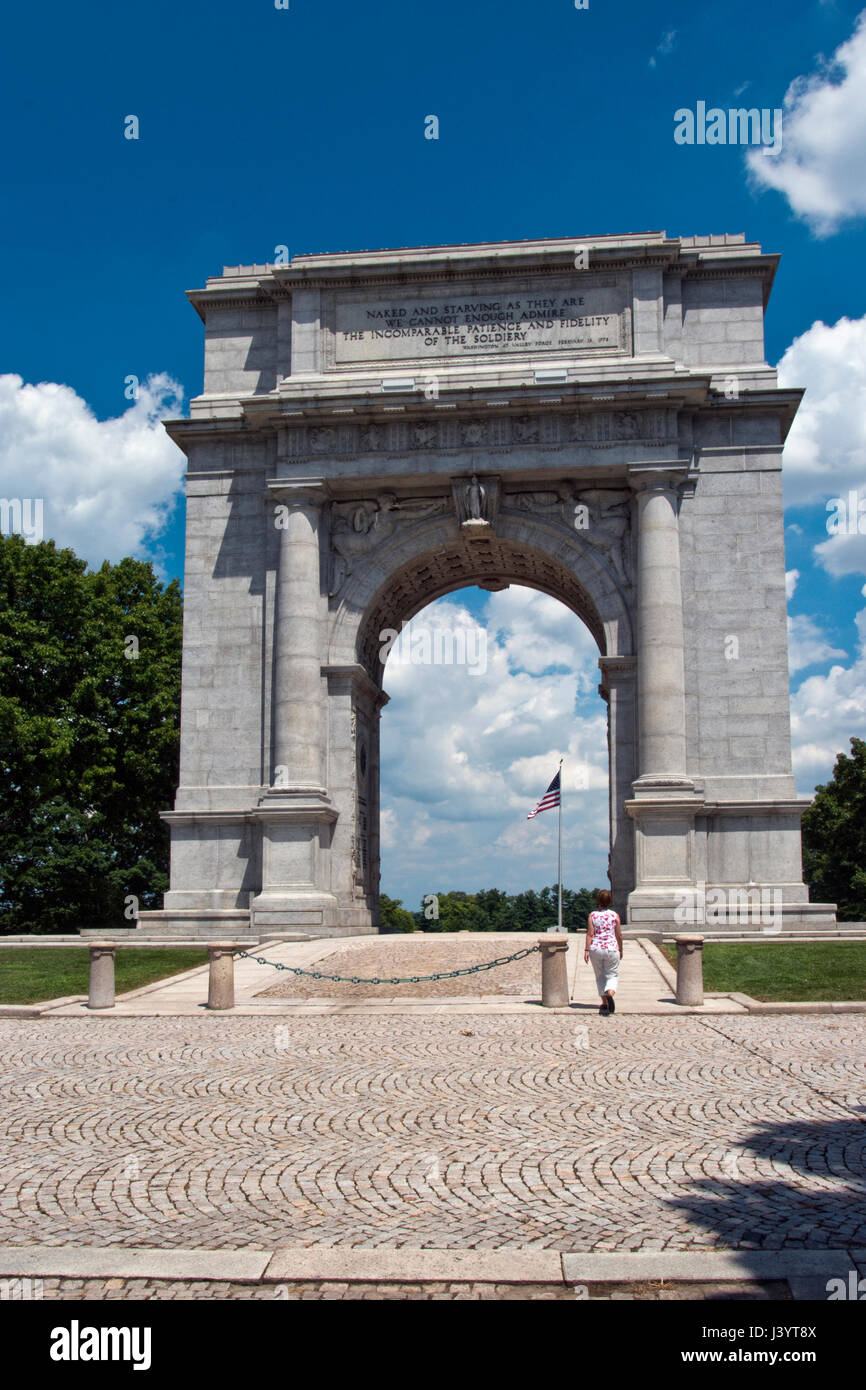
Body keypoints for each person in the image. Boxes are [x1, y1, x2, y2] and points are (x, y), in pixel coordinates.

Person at [584, 889, 622, 1015]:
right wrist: (620, 949)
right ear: (610, 901)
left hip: (596, 948)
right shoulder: (615, 916)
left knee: (600, 976)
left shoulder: (593, 915)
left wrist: (586, 950)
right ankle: (610, 993)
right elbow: (619, 935)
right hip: (612, 948)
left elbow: (590, 934)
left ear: (598, 901)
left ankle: (605, 1003)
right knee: (612, 975)